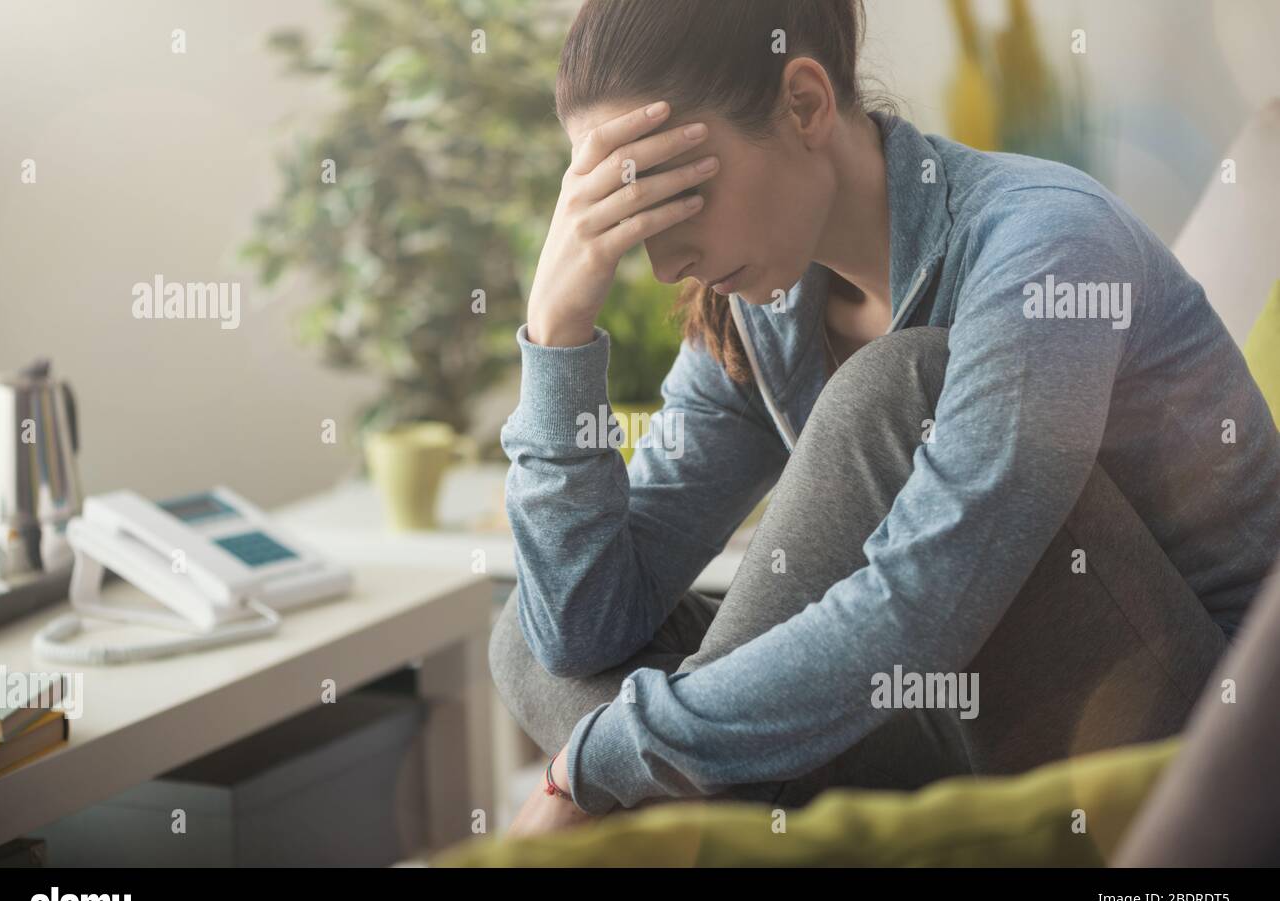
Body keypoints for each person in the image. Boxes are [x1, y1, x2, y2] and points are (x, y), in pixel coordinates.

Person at [492, 0, 1280, 836]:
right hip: (946, 720)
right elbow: (583, 629)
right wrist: (556, 332)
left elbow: (919, 610)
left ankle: (703, 817)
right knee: (529, 637)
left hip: (1193, 742)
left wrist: (597, 760)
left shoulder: (1047, 246)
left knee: (895, 389)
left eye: (676, 190)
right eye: (624, 212)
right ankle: (711, 813)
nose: (659, 263)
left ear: (804, 105)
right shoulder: (767, 306)